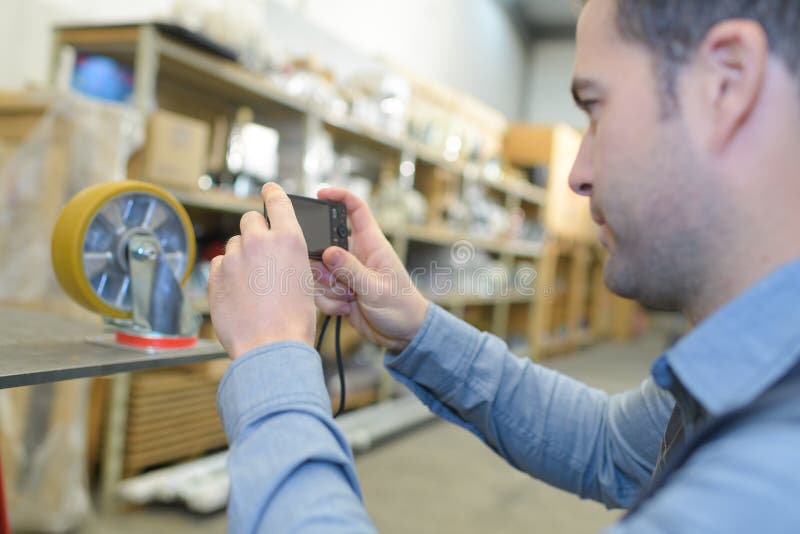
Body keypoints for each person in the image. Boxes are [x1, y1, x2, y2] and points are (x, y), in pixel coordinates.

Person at [209, 0, 800, 531]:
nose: (577, 174)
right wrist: (416, 326)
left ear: (727, 82)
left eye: (595, 110)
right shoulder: (753, 375)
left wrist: (272, 362)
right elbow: (609, 447)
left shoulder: (768, 478)